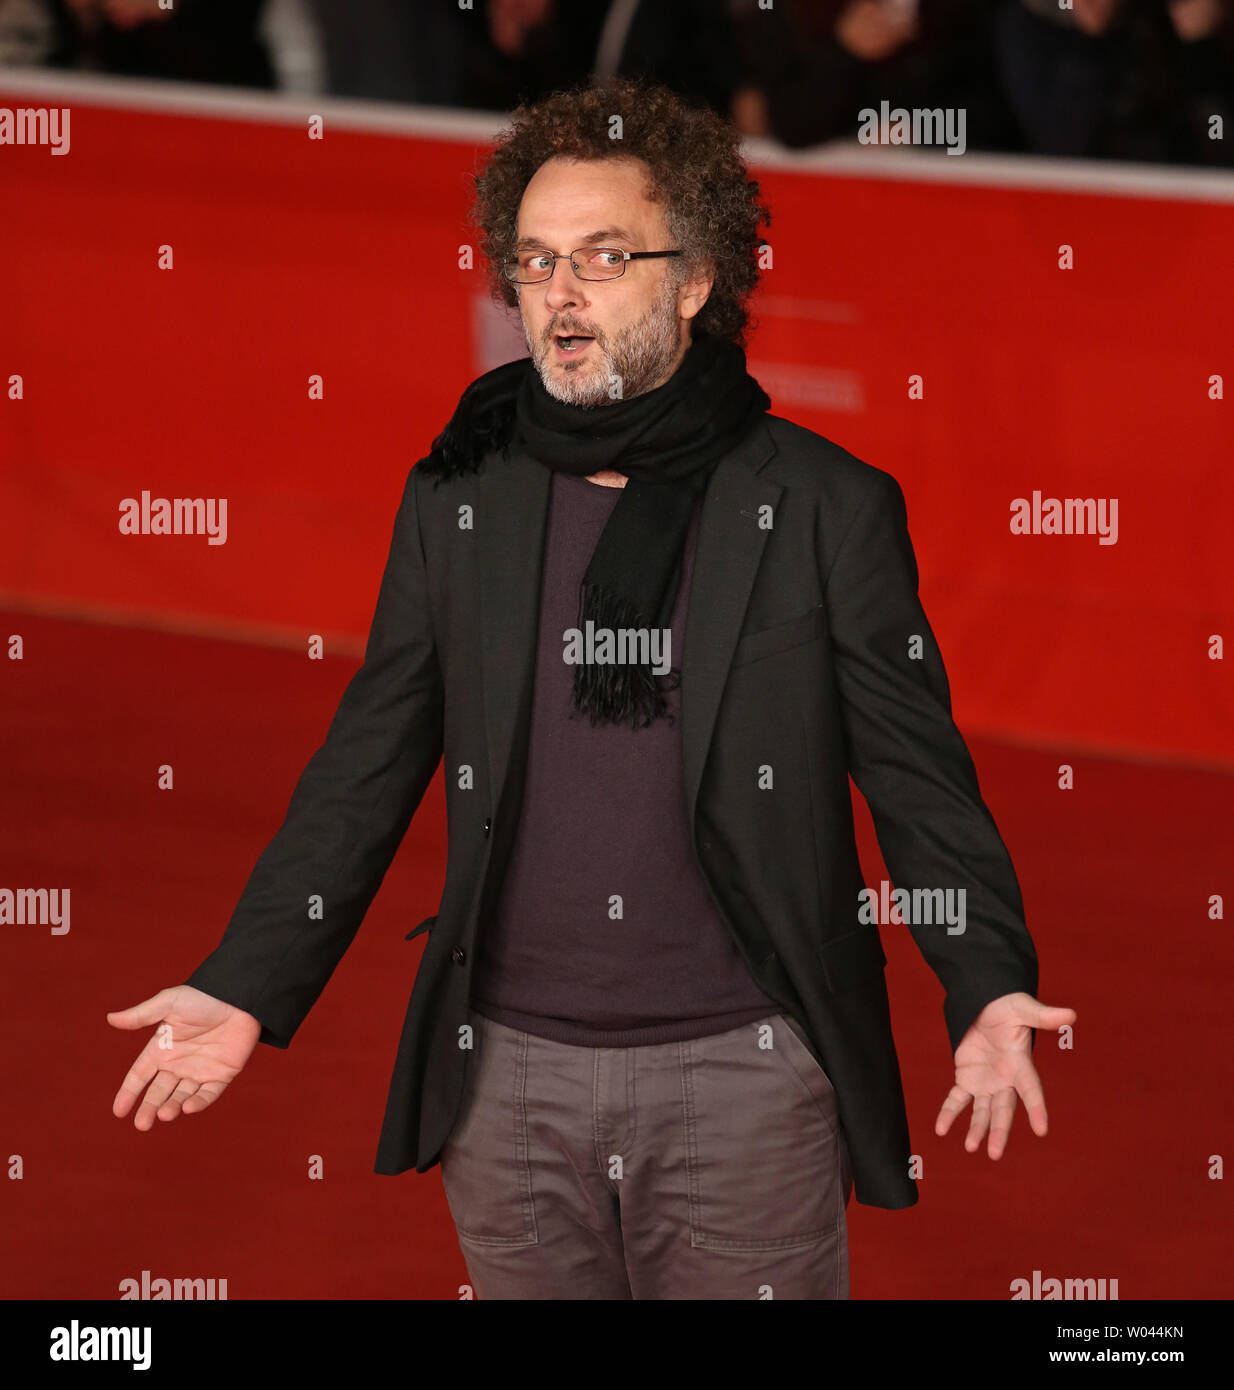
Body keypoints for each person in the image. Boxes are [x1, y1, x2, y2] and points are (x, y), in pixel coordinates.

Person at [109, 76, 1076, 1301]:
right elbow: (368, 758)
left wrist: (983, 978)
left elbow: (914, 779)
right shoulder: (462, 495)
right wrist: (248, 979)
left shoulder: (826, 506)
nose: (557, 295)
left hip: (746, 1071)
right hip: (504, 1074)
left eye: (602, 258)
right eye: (532, 260)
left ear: (693, 279)